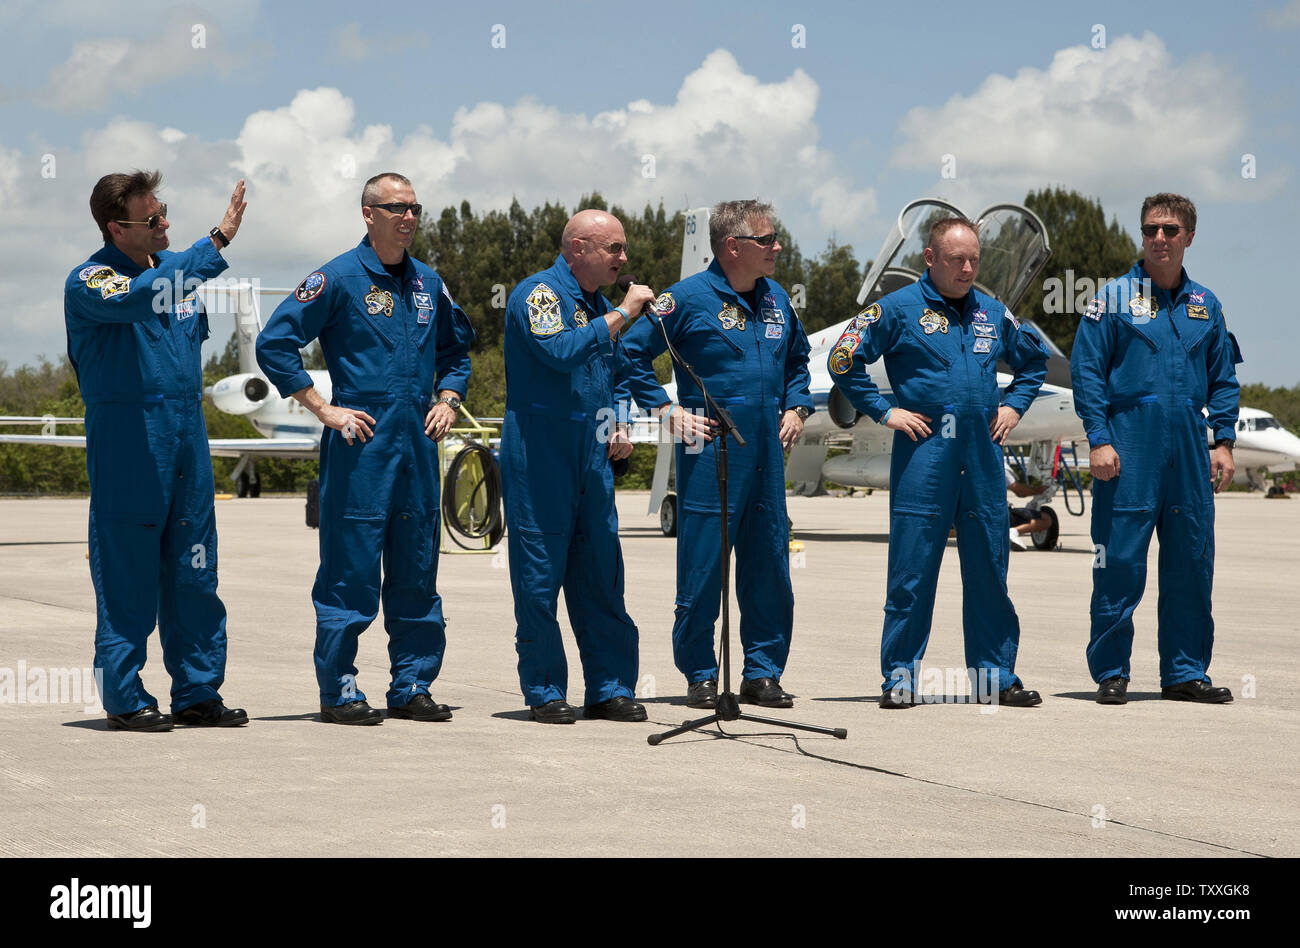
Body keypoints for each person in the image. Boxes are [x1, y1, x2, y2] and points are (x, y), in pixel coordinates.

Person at [257, 172, 473, 726]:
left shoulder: (430, 283)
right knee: (349, 572)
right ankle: (341, 691)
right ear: (368, 213)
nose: (408, 217)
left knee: (417, 570)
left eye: (415, 208)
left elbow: (456, 352)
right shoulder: (336, 278)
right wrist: (322, 408)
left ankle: (411, 685)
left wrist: (448, 398)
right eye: (396, 207)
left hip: (420, 447)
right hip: (362, 447)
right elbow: (275, 343)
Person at [828, 217, 1048, 709]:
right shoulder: (896, 309)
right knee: (912, 569)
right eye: (957, 260)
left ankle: (995, 677)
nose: (968, 268)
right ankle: (900, 678)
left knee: (991, 569)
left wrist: (1014, 405)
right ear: (930, 259)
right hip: (925, 456)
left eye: (974, 259)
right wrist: (884, 411)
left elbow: (1033, 362)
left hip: (983, 457)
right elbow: (842, 359)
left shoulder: (993, 313)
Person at [65, 170, 249, 731]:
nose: (165, 222)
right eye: (152, 219)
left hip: (187, 443)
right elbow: (146, 297)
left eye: (163, 209)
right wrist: (214, 242)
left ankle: (197, 690)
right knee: (129, 573)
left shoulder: (176, 280)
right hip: (129, 447)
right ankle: (123, 695)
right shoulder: (91, 282)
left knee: (195, 571)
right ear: (116, 229)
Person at [622, 199, 813, 710]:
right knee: (704, 566)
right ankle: (701, 674)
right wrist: (664, 411)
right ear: (733, 246)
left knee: (771, 563)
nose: (777, 247)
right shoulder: (682, 300)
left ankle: (763, 673)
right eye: (767, 240)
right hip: (707, 448)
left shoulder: (778, 301)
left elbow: (799, 362)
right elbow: (629, 353)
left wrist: (797, 407)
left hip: (768, 454)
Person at [1070, 192, 1240, 705]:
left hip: (1189, 448)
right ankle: (1111, 672)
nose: (1158, 239)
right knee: (1118, 562)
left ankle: (1185, 673)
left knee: (1191, 560)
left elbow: (1223, 379)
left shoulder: (1205, 305)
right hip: (1129, 447)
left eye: (1169, 230)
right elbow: (1087, 374)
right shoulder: (1112, 300)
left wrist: (1224, 442)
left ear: (1189, 236)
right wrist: (1098, 438)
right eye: (1149, 230)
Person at [502, 209, 656, 724]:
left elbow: (617, 374)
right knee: (541, 575)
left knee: (601, 573)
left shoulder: (600, 307)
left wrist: (619, 421)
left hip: (590, 456)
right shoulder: (539, 294)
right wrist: (624, 315)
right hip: (540, 451)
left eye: (622, 249)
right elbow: (561, 350)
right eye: (614, 249)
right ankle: (545, 689)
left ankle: (610, 687)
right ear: (578, 248)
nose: (623, 259)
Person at [1006, 463, 1050, 550]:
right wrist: (1038, 490)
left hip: (975, 513)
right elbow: (1019, 491)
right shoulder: (998, 465)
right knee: (1046, 519)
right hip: (998, 513)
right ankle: (1013, 531)